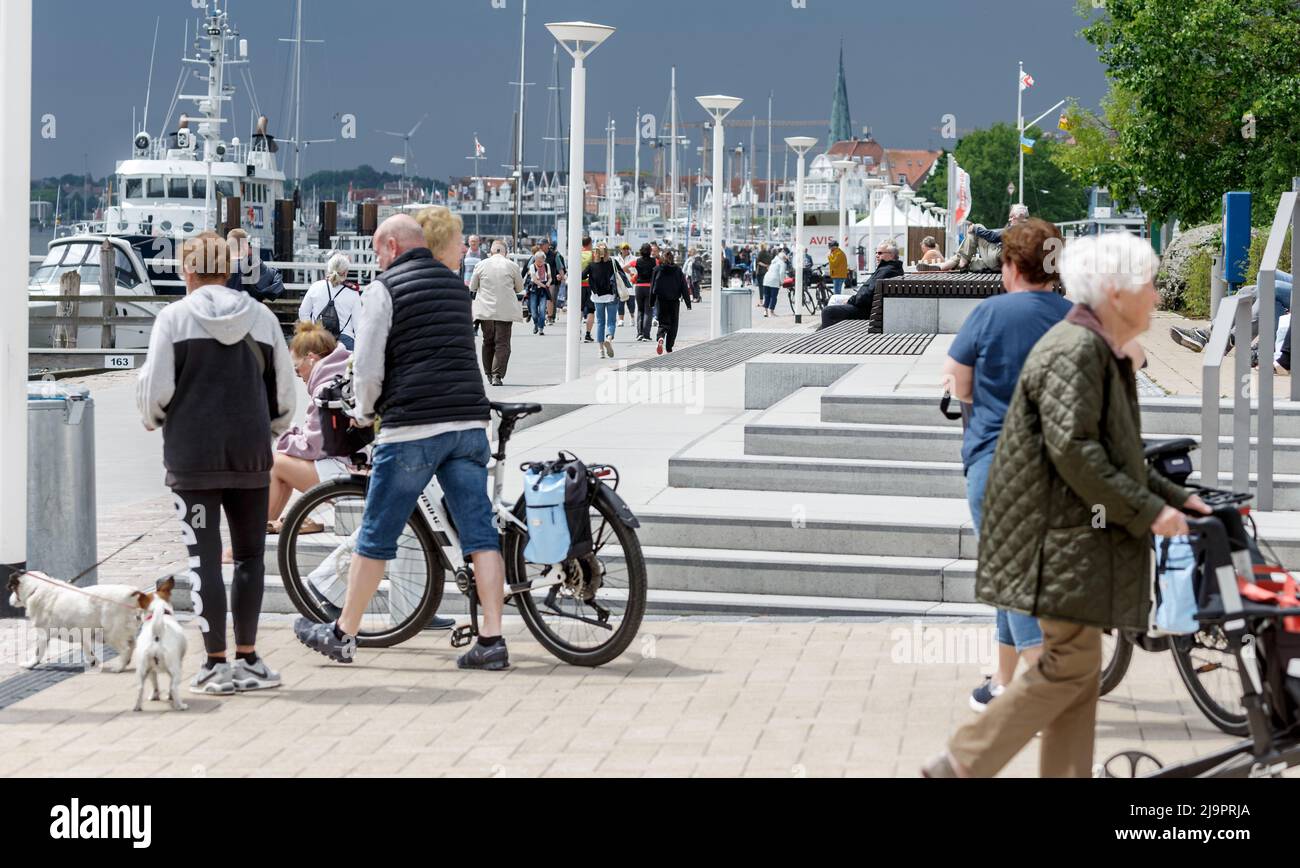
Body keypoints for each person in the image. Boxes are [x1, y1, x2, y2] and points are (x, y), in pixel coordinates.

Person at [924, 232, 1212, 779]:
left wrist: (1178, 498)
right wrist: (1151, 511)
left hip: (1056, 535)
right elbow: (1075, 450)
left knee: (1076, 676)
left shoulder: (1094, 347)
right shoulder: (1077, 349)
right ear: (1114, 292)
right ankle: (960, 763)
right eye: (1147, 285)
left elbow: (1113, 457)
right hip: (1049, 538)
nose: (1155, 296)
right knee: (1068, 668)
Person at [294, 209, 509, 670]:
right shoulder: (456, 286)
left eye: (375, 250)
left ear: (392, 247)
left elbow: (368, 367)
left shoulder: (382, 290)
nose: (374, 260)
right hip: (468, 424)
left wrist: (363, 412)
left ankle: (343, 633)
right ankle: (492, 638)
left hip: (412, 426)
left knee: (376, 534)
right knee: (479, 532)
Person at [137, 231, 295, 695]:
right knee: (249, 557)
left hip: (192, 459)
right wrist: (269, 431)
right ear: (228, 269)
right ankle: (249, 657)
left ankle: (215, 663)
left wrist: (157, 420)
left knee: (204, 560)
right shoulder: (262, 319)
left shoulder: (174, 318)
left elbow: (155, 392)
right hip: (250, 456)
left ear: (187, 269)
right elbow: (284, 395)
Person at [940, 219, 1074, 712]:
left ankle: (1038, 687)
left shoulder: (990, 313)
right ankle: (1003, 676)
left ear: (1012, 265)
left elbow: (958, 383)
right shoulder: (1077, 315)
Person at [267, 322, 354, 537]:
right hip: (358, 467)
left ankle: (251, 540)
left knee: (276, 462)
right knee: (282, 461)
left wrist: (287, 437)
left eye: (297, 367)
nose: (298, 374)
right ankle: (272, 525)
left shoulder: (326, 390)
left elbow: (314, 447)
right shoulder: (346, 373)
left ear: (311, 357)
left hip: (348, 475)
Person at [470, 240, 525, 386]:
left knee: (487, 341)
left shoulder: (480, 265)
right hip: (505, 311)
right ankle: (497, 375)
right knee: (502, 344)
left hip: (485, 311)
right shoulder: (512, 266)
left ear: (491, 252)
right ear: (505, 252)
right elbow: (519, 288)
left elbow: (473, 287)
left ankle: (488, 373)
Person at [819, 240, 904, 329]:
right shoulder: (889, 269)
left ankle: (823, 337)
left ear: (891, 255)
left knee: (828, 311)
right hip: (872, 307)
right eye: (876, 253)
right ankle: (820, 335)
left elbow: (867, 295)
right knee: (835, 298)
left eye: (880, 253)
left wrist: (850, 300)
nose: (876, 255)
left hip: (869, 310)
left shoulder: (887, 271)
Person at [936, 205, 1029, 273]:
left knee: (977, 226)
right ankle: (944, 266)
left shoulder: (1018, 228)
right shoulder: (1029, 231)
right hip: (1001, 266)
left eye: (1012, 217)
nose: (1010, 220)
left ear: (1020, 216)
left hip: (998, 259)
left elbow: (993, 237)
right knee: (972, 262)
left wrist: (975, 228)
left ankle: (958, 262)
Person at [298, 253, 360, 350]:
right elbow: (358, 325)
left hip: (319, 339)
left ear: (329, 269)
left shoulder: (315, 287)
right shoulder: (353, 293)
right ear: (345, 272)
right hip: (344, 341)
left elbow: (303, 313)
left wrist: (312, 332)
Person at [584, 243, 628, 359]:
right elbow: (622, 274)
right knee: (612, 321)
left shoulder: (592, 265)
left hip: (597, 298)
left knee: (600, 322)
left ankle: (600, 350)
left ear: (596, 252)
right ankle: (609, 339)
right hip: (611, 296)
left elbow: (582, 276)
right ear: (607, 251)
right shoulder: (613, 263)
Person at [225, 228, 285, 302]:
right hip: (251, 309)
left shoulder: (220, 269)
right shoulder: (254, 265)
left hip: (227, 310)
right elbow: (275, 281)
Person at [651, 248, 692, 354]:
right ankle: (669, 347)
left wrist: (652, 301)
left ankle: (660, 337)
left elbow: (652, 287)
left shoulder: (657, 269)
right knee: (673, 325)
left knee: (663, 323)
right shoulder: (678, 270)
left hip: (661, 300)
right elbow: (684, 287)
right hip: (674, 301)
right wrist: (688, 303)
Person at [633, 243, 657, 342]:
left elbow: (624, 267)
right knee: (648, 311)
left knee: (640, 310)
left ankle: (639, 334)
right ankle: (646, 335)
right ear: (650, 251)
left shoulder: (637, 261)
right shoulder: (654, 261)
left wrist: (633, 274)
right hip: (649, 287)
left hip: (638, 287)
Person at [527, 250, 553, 336]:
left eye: (540, 261)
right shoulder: (532, 266)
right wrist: (544, 285)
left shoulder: (547, 266)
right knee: (534, 311)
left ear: (543, 260)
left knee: (542, 310)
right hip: (534, 289)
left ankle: (541, 328)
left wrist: (548, 282)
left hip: (543, 290)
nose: (539, 263)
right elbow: (534, 279)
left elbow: (550, 277)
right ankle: (535, 324)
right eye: (537, 260)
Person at [761, 247, 788, 318]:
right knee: (773, 297)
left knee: (766, 296)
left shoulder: (773, 261)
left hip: (766, 279)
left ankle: (765, 311)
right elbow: (782, 273)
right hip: (774, 280)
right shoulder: (782, 263)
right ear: (784, 258)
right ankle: (771, 312)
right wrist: (782, 282)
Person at [616, 242, 636, 325]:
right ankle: (621, 320)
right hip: (620, 284)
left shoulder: (634, 258)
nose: (626, 250)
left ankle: (632, 318)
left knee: (631, 303)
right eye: (624, 248)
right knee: (620, 303)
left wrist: (631, 274)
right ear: (620, 249)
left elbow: (636, 270)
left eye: (627, 248)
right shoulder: (616, 259)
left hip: (630, 283)